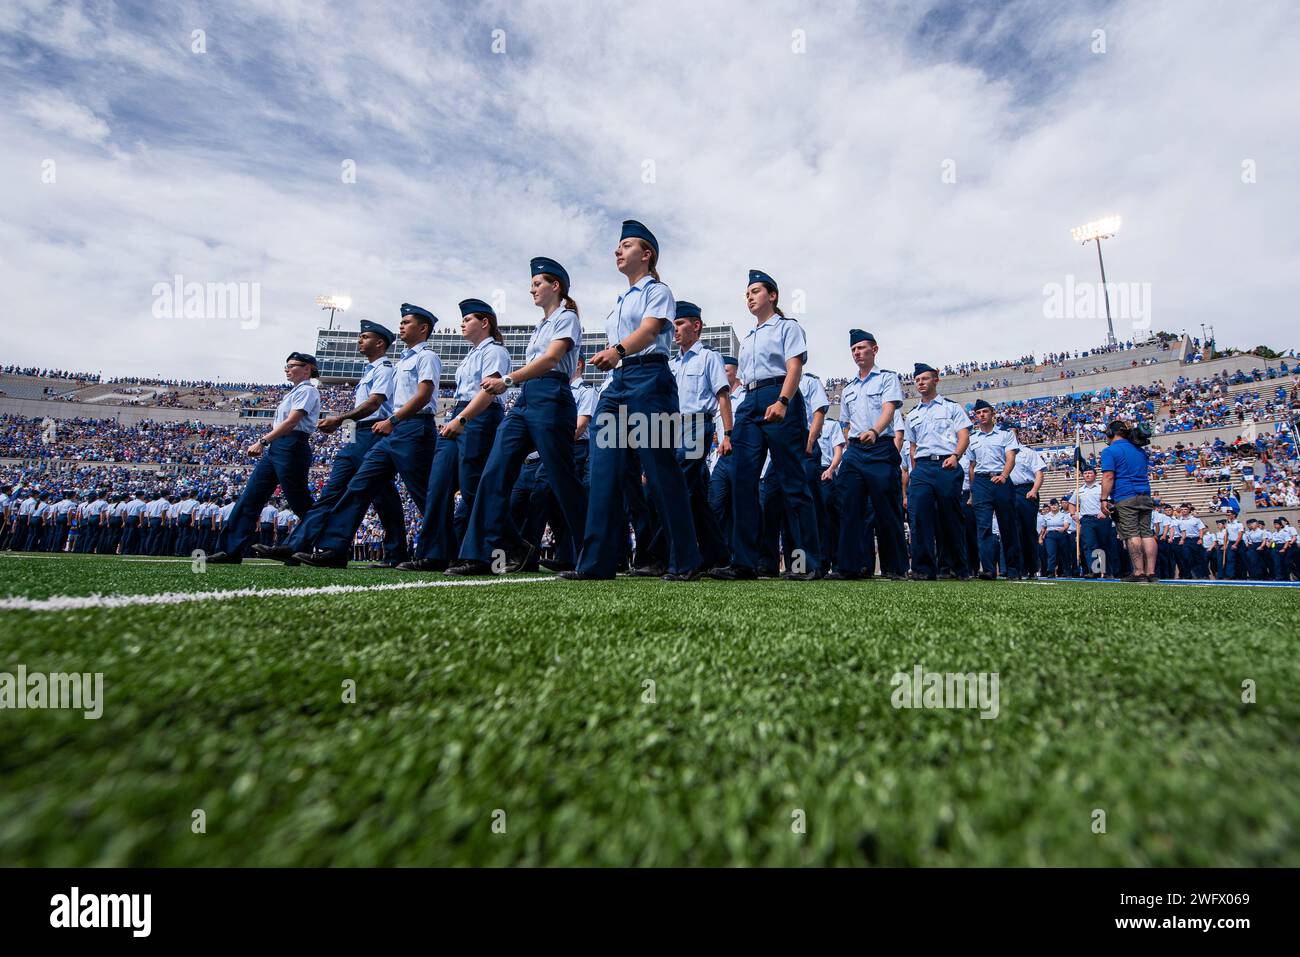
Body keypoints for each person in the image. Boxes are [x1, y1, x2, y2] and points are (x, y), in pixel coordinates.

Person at [560, 222, 702, 582]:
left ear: (647, 254)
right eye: (618, 246)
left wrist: (618, 350)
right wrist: (616, 358)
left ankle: (685, 560)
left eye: (626, 245)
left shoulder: (658, 291)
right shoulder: (619, 302)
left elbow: (652, 329)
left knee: (659, 471)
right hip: (619, 384)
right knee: (604, 473)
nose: (617, 251)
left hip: (650, 380)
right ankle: (595, 563)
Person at [450, 258, 588, 576]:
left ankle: (594, 551)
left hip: (551, 398)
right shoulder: (541, 325)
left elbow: (553, 359)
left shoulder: (567, 318)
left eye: (538, 283)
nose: (531, 289)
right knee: (493, 474)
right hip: (525, 401)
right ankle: (483, 555)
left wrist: (507, 380)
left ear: (556, 286)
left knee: (563, 479)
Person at [297, 306, 440, 568]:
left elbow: (423, 396)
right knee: (359, 485)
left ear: (423, 329)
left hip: (413, 427)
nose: (401, 326)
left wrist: (392, 420)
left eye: (407, 322)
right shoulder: (401, 362)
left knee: (423, 493)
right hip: (393, 430)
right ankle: (332, 549)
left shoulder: (426, 357)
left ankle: (441, 552)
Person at [259, 319, 406, 568]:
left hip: (374, 433)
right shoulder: (369, 371)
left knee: (381, 496)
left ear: (380, 343)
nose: (360, 340)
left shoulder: (385, 370)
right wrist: (346, 438)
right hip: (356, 434)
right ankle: (299, 547)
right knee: (331, 493)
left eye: (365, 337)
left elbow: (373, 405)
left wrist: (339, 419)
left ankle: (394, 553)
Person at [399, 301, 512, 572]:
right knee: (438, 484)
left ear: (485, 323)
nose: (462, 323)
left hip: (479, 415)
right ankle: (434, 553)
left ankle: (483, 555)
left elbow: (489, 392)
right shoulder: (471, 354)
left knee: (472, 486)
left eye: (468, 319)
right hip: (461, 414)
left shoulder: (494, 351)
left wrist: (462, 419)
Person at [207, 352, 321, 564]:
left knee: (300, 501)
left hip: (292, 444)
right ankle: (230, 550)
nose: (287, 369)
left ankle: (313, 546)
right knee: (250, 498)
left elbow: (291, 423)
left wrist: (263, 441)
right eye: (286, 365)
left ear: (307, 369)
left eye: (292, 365)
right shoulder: (293, 392)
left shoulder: (308, 391)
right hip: (279, 446)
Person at [655, 300, 732, 571]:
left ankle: (676, 560)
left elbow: (723, 397)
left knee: (678, 490)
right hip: (674, 427)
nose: (674, 330)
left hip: (698, 425)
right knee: (697, 499)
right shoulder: (672, 364)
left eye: (679, 323)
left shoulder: (709, 357)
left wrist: (728, 433)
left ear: (695, 326)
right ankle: (718, 558)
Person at [824, 329, 906, 580]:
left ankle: (895, 568)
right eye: (853, 350)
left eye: (861, 348)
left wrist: (875, 430)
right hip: (856, 451)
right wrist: (851, 443)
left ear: (875, 350)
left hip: (881, 447)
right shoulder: (848, 389)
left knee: (886, 509)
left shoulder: (887, 379)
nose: (857, 353)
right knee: (849, 507)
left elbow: (889, 409)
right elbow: (846, 423)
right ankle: (849, 566)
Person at [904, 362, 971, 580]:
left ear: (936, 380)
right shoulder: (912, 414)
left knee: (950, 518)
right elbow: (912, 446)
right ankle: (923, 568)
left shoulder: (951, 408)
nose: (920, 383)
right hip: (922, 467)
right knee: (919, 516)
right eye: (917, 380)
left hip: (946, 464)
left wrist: (955, 456)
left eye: (924, 378)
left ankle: (954, 567)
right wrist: (915, 470)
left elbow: (964, 435)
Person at [967, 399, 1021, 580]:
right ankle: (989, 569)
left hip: (1001, 480)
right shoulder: (972, 438)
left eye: (984, 412)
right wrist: (973, 491)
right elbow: (972, 466)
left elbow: (1010, 458)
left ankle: (1013, 570)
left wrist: (1004, 476)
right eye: (978, 413)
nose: (981, 415)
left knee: (1008, 526)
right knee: (983, 527)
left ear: (992, 413)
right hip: (981, 482)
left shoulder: (1005, 434)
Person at [1098, 419, 1157, 583]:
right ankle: (1151, 573)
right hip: (1145, 494)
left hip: (1125, 495)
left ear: (1111, 433)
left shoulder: (1110, 451)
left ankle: (1139, 573)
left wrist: (1103, 499)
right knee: (1147, 533)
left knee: (1132, 534)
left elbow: (1108, 476)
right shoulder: (1139, 450)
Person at [1066, 466, 1118, 578]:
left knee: (1104, 545)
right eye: (1085, 473)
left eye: (1090, 473)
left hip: (1101, 519)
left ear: (1095, 475)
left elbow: (1110, 503)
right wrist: (1073, 514)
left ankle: (1107, 571)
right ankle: (1095, 570)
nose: (1087, 475)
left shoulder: (1102, 488)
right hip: (1086, 520)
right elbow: (1071, 504)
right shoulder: (1079, 489)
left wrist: (1105, 512)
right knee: (1090, 545)